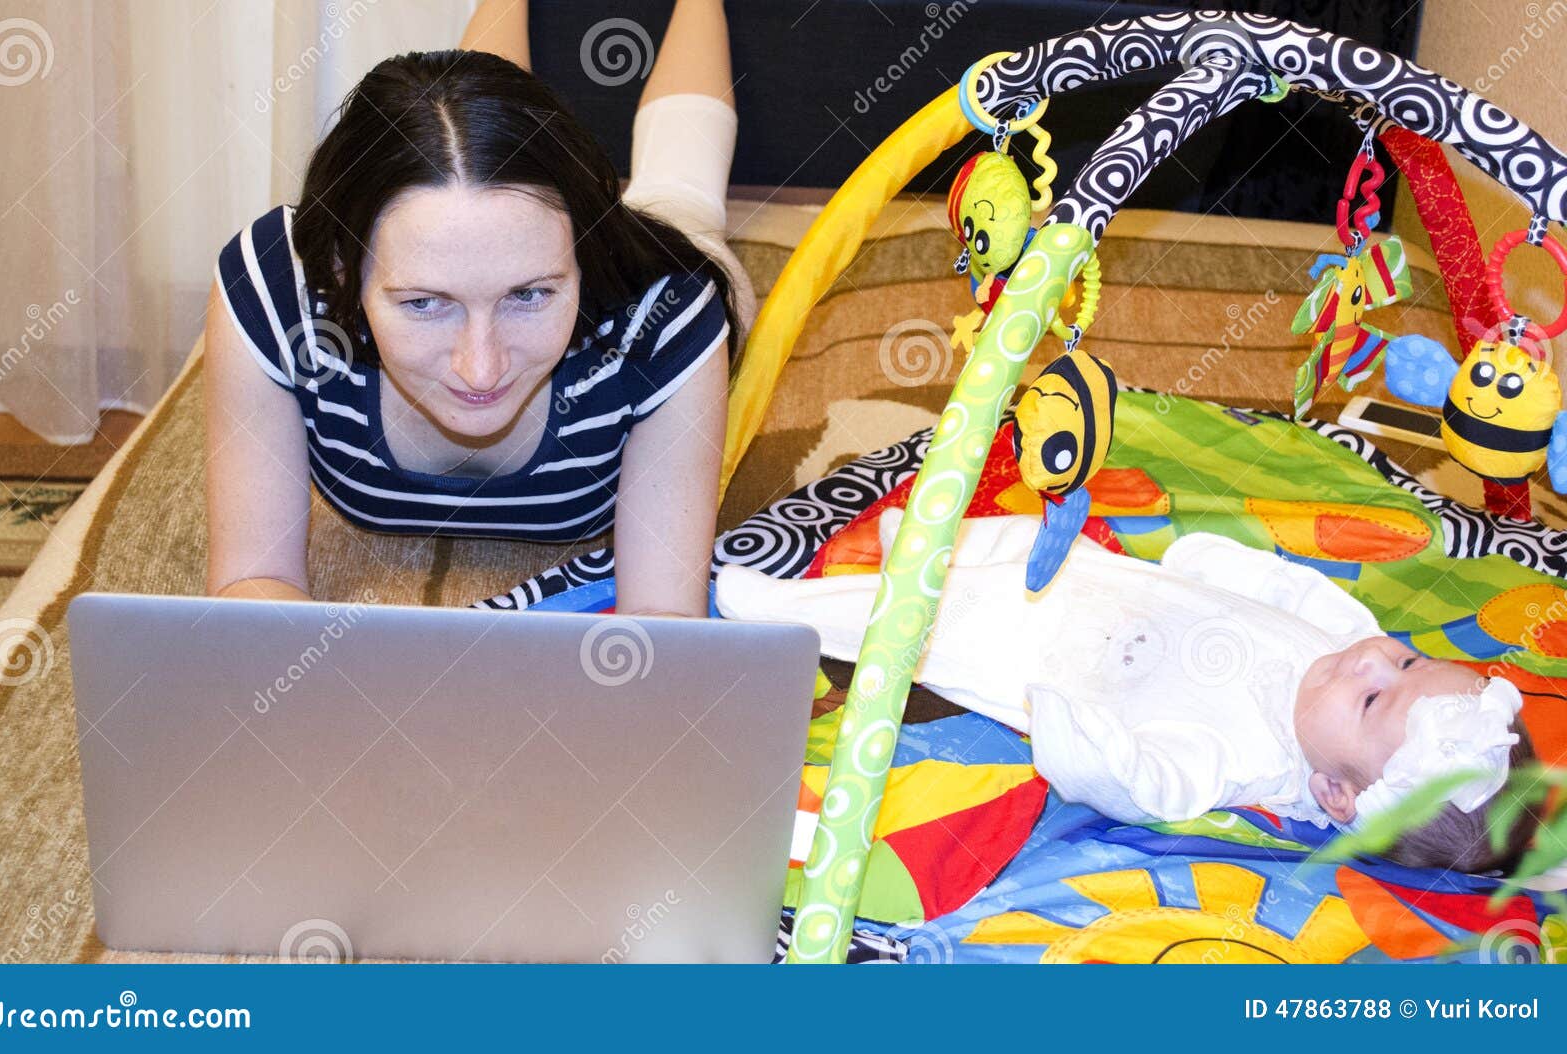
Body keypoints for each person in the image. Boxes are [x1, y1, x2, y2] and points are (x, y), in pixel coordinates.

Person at [205, 0, 754, 616]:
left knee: (679, 193)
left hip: (640, 267)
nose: (481, 369)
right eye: (424, 303)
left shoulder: (666, 313)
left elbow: (663, 620)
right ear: (341, 269)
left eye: (529, 294)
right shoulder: (279, 292)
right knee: (474, 125)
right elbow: (247, 586)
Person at [715, 512, 1541, 874]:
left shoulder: (1247, 759)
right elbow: (1294, 590)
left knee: (924, 626)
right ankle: (921, 537)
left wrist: (1073, 728)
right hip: (1095, 581)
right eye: (1404, 661)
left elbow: (1147, 782)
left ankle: (780, 615)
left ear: (1334, 791)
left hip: (1033, 651)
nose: (1370, 665)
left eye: (1374, 702)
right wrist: (1208, 563)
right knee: (1014, 545)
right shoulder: (1342, 640)